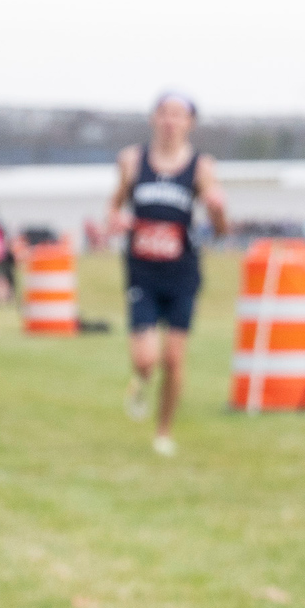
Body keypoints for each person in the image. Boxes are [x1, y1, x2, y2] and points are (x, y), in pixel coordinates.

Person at [106, 92, 228, 457]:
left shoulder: (202, 167)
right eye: (164, 114)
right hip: (142, 271)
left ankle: (163, 430)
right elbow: (113, 207)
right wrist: (116, 220)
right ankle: (141, 380)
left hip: (181, 273)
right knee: (147, 358)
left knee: (174, 359)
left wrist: (217, 211)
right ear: (153, 119)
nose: (170, 121)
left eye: (179, 115)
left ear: (190, 123)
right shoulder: (131, 161)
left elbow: (221, 229)